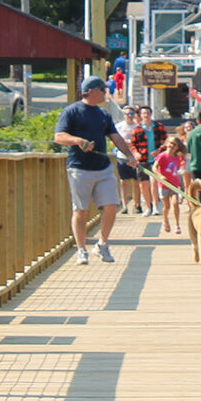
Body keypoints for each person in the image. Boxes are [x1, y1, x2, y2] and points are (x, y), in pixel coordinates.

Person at [52, 76, 137, 265]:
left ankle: (102, 244)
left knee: (111, 206)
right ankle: (81, 249)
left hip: (103, 166)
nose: (105, 93)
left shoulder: (103, 114)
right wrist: (78, 141)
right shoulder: (72, 111)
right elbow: (59, 136)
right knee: (81, 210)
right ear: (91, 91)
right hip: (79, 168)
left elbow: (115, 137)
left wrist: (129, 156)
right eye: (102, 89)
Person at [153, 134, 189, 235]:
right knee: (167, 206)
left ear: (177, 147)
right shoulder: (162, 156)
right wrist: (160, 176)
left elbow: (176, 171)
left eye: (174, 144)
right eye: (170, 143)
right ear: (166, 144)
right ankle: (165, 220)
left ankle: (177, 224)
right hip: (164, 185)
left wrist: (180, 181)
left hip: (174, 185)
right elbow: (154, 167)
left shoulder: (177, 158)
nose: (172, 145)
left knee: (175, 203)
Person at [114, 105, 142, 214]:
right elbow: (113, 140)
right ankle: (124, 205)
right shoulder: (118, 127)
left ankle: (137, 204)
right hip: (122, 157)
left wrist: (131, 143)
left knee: (136, 182)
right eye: (127, 114)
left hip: (135, 157)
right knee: (123, 181)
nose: (129, 116)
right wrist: (122, 143)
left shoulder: (138, 126)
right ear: (124, 115)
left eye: (131, 114)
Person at [132, 106, 158, 217]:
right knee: (144, 184)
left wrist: (159, 150)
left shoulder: (158, 127)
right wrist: (135, 153)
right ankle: (148, 207)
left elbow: (166, 141)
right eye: (143, 113)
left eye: (147, 113)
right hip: (142, 160)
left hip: (155, 160)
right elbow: (133, 145)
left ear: (151, 114)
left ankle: (156, 206)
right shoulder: (137, 129)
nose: (146, 115)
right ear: (140, 115)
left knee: (154, 182)